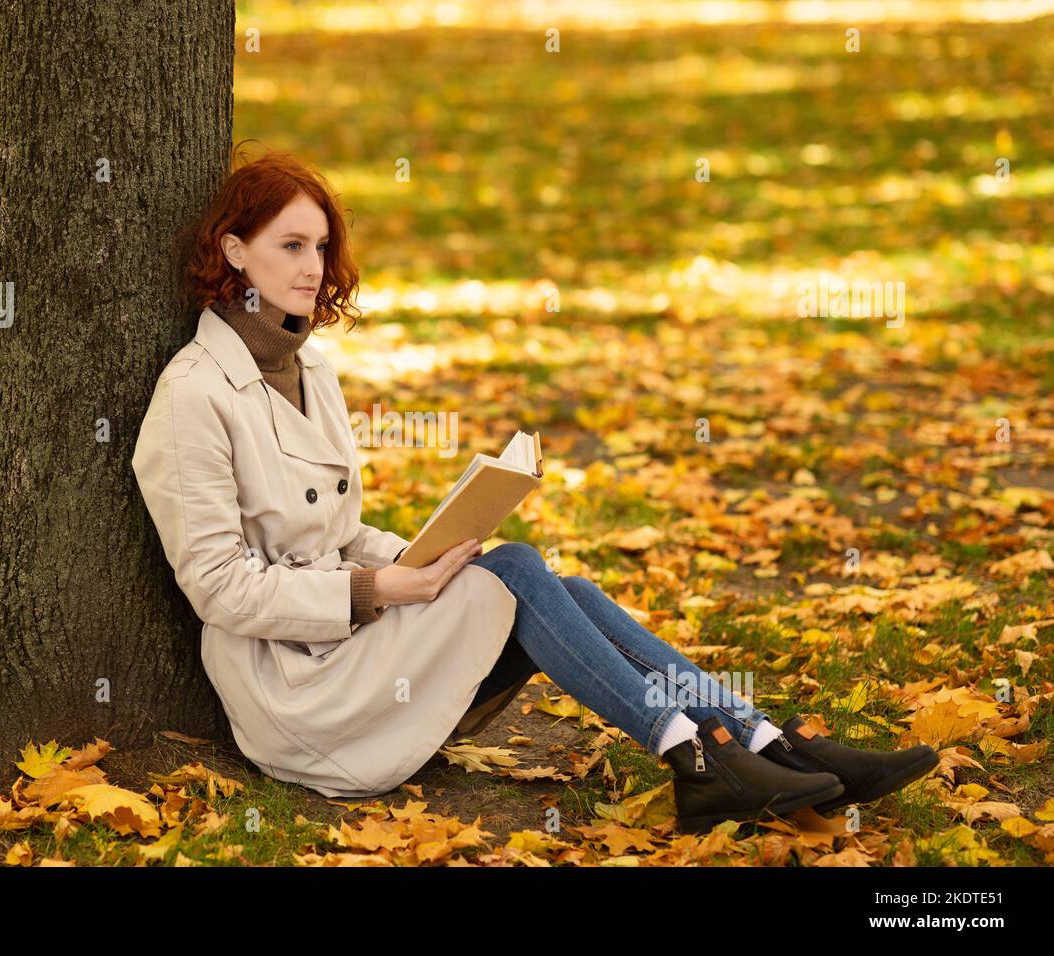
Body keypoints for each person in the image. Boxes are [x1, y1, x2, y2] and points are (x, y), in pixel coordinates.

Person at [132, 147, 939, 834]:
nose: (312, 267)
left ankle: (760, 746)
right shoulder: (195, 395)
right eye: (291, 245)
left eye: (321, 245)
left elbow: (335, 532)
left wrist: (434, 551)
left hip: (355, 650)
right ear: (235, 252)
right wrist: (378, 587)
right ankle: (707, 757)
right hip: (296, 693)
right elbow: (219, 587)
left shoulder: (313, 370)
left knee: (555, 582)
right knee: (521, 572)